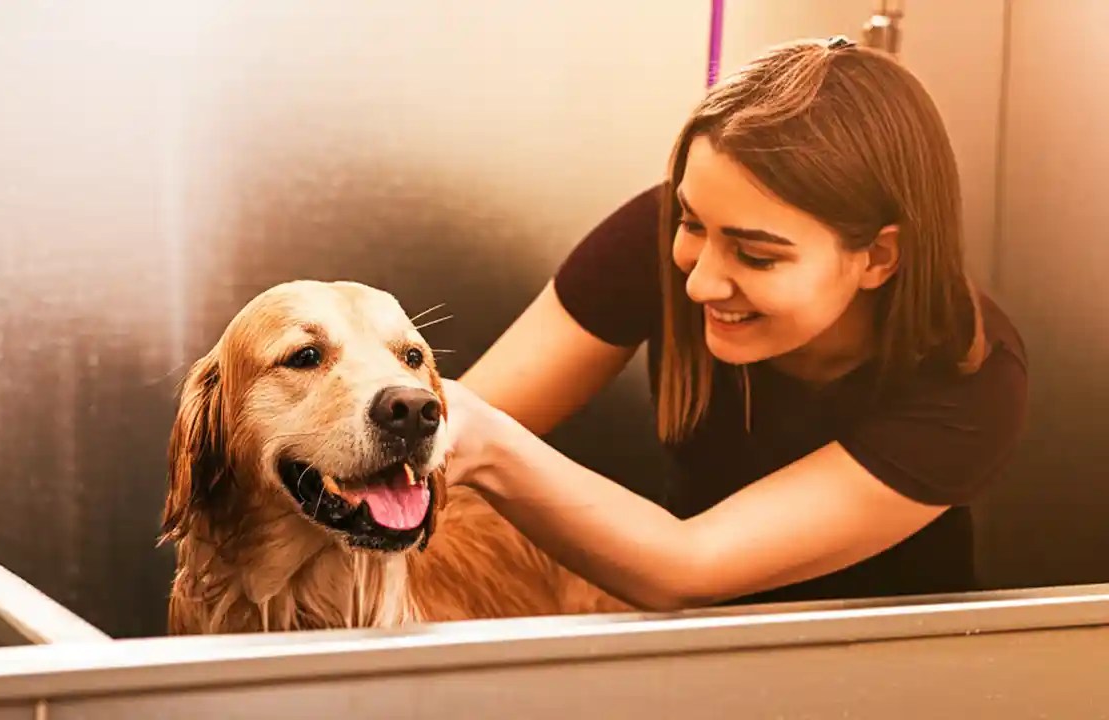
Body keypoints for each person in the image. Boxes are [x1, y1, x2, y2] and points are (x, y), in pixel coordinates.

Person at [439, 36, 1029, 612]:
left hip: (890, 668)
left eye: (758, 255)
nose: (699, 284)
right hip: (688, 648)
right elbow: (452, 435)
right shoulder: (658, 237)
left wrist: (491, 445)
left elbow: (690, 568)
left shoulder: (970, 376)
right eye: (692, 223)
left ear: (877, 257)